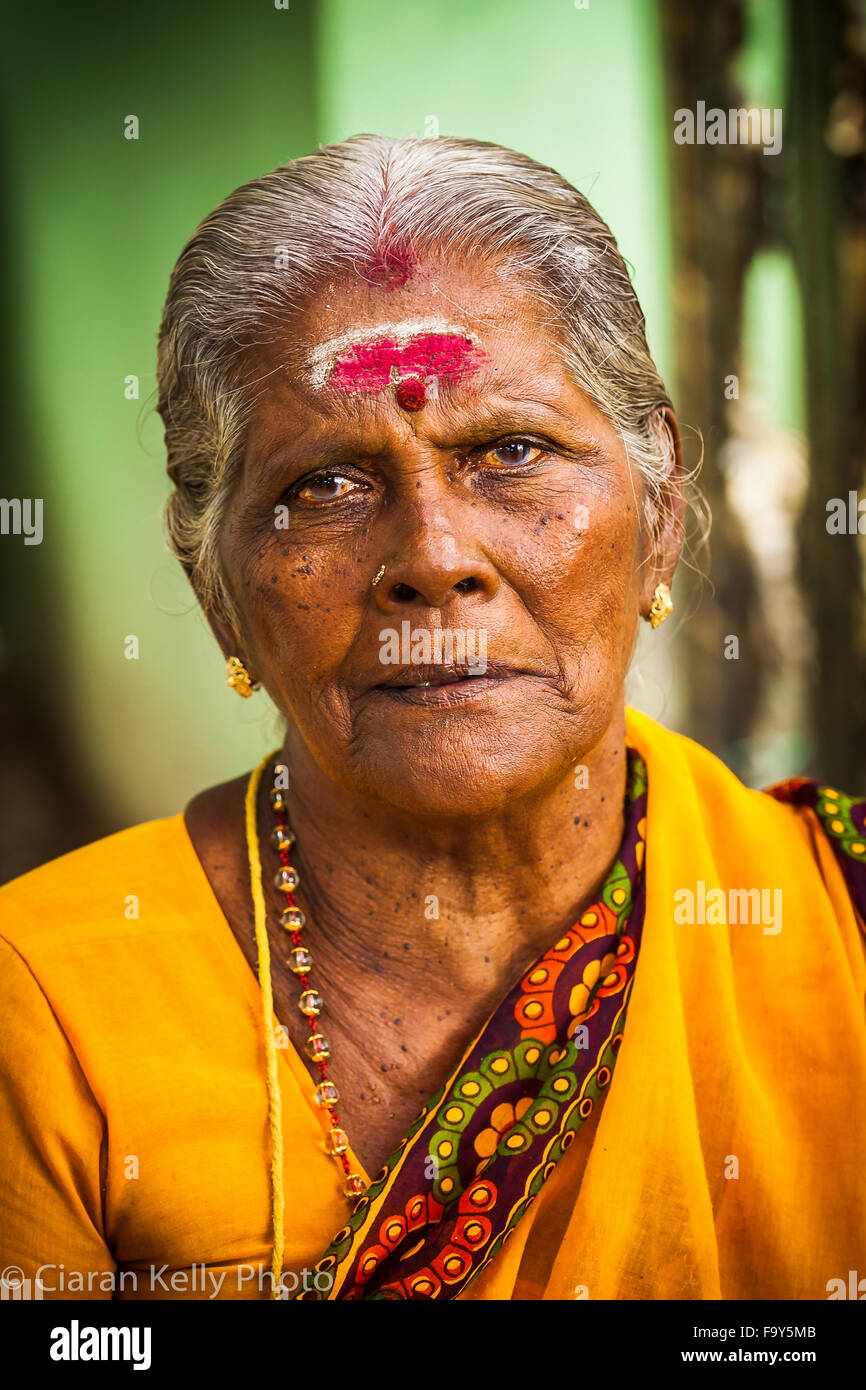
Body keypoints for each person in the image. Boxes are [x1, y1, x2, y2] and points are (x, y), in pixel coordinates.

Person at [1, 136, 863, 1302]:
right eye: (326, 487)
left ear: (658, 509)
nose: (434, 558)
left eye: (511, 452)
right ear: (212, 583)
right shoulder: (39, 1003)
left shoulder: (839, 930)